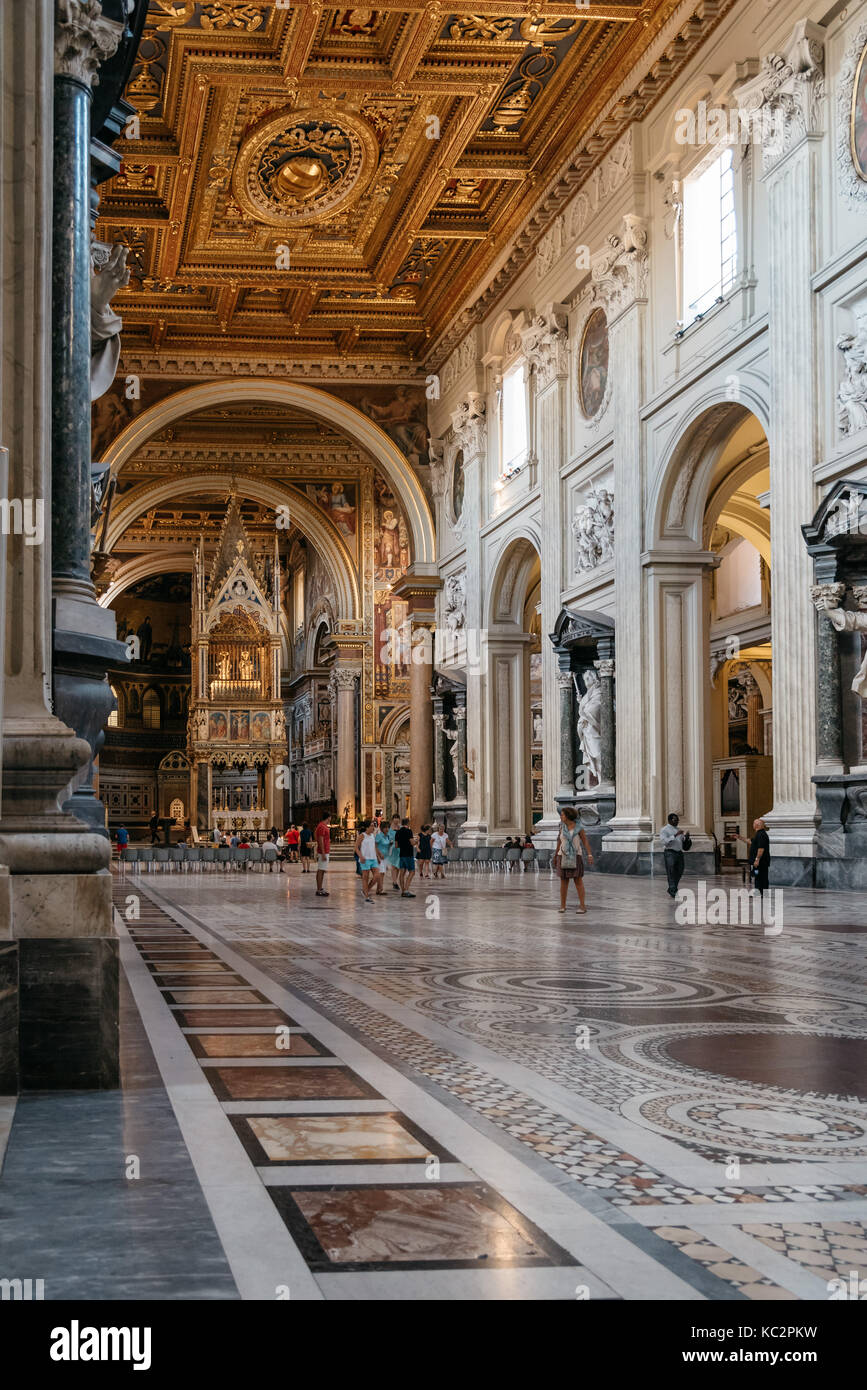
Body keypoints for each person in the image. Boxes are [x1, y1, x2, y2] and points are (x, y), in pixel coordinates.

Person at [553, 805, 593, 914]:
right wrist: (556, 855)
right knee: (563, 881)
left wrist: (589, 855)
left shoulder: (579, 828)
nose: (561, 817)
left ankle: (582, 906)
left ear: (568, 816)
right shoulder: (562, 827)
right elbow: (559, 842)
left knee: (578, 881)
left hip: (576, 856)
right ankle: (562, 906)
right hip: (563, 855)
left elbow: (585, 841)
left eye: (562, 815)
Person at [736, 818, 770, 898]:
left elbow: (761, 849)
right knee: (759, 877)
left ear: (757, 825)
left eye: (754, 823)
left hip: (761, 862)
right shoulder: (759, 834)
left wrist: (757, 859)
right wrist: (739, 837)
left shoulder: (761, 835)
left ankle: (761, 893)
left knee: (760, 877)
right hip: (760, 862)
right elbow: (750, 841)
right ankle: (760, 893)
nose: (753, 825)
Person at [355, 820, 383, 903]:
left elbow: (374, 847)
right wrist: (361, 856)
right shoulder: (362, 835)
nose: (373, 827)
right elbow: (356, 848)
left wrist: (378, 856)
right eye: (371, 826)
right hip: (365, 859)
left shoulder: (372, 836)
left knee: (377, 876)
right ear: (367, 827)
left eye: (373, 826)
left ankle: (366, 890)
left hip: (373, 858)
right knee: (365, 877)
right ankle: (367, 896)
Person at [660, 812, 686, 898]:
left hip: (679, 852)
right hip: (670, 853)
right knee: (671, 872)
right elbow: (664, 842)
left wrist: (687, 838)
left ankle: (672, 888)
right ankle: (673, 889)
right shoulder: (664, 830)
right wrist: (675, 835)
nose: (677, 821)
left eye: (678, 820)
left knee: (680, 871)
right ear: (670, 820)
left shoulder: (678, 829)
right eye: (675, 820)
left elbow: (683, 842)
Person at [395, 817, 416, 898]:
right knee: (412, 872)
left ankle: (403, 890)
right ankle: (406, 890)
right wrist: (416, 841)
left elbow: (396, 846)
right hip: (408, 854)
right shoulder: (409, 831)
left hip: (402, 854)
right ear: (408, 823)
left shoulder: (398, 832)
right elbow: (412, 843)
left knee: (402, 873)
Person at [314, 815, 331, 896]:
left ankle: (320, 888)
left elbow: (315, 835)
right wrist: (323, 852)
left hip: (324, 850)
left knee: (322, 870)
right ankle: (319, 889)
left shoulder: (321, 825)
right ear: (328, 817)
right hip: (323, 851)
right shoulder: (322, 826)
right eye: (330, 818)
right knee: (321, 870)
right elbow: (320, 839)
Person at [385, 814, 402, 890]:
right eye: (395, 818)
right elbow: (387, 837)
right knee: (393, 866)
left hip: (400, 848)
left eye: (397, 818)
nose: (396, 820)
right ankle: (395, 882)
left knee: (398, 866)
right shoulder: (389, 829)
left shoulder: (401, 828)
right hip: (392, 848)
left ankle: (395, 881)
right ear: (392, 819)